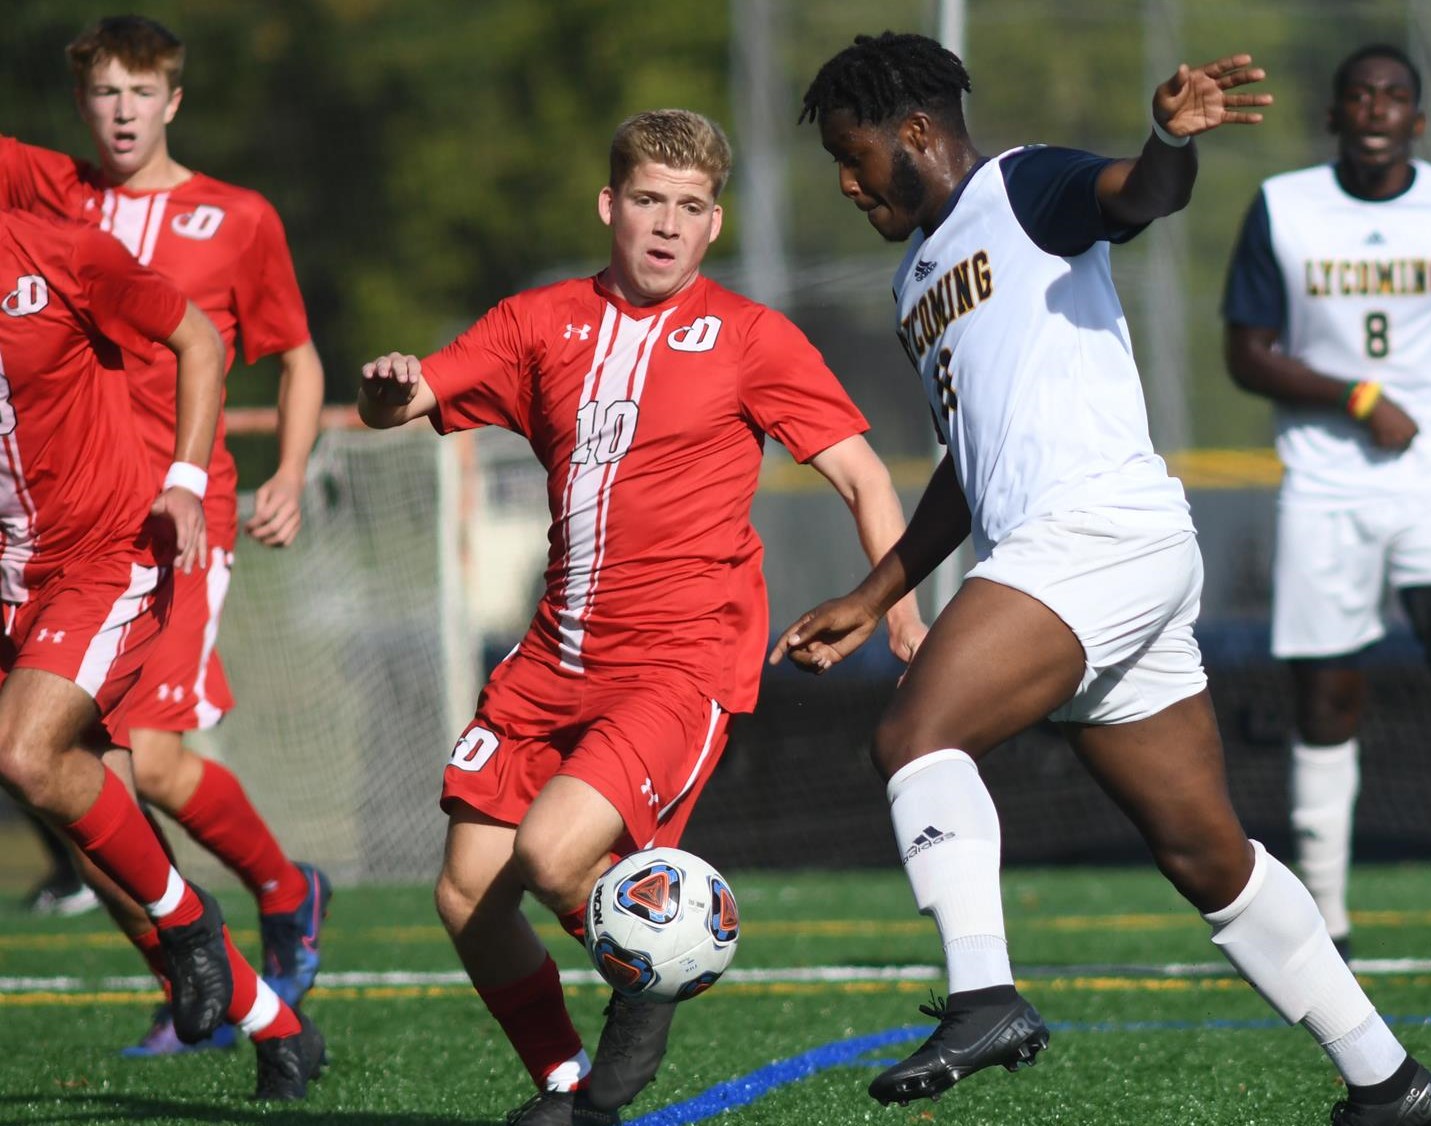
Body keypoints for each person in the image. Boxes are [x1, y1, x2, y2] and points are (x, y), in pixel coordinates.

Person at [783, 32, 1431, 1125]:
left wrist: (1164, 139)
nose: (849, 184)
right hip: (1080, 563)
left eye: (854, 156)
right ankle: (1386, 1078)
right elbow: (969, 463)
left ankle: (982, 993)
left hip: (1096, 536)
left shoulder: (1022, 186)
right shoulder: (915, 281)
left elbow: (1136, 196)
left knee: (914, 738)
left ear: (913, 133)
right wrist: (869, 595)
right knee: (1205, 855)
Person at [357, 108, 924, 1126]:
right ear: (609, 206)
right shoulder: (536, 322)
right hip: (552, 653)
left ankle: (650, 981)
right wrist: (388, 390)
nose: (667, 225)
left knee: (551, 853)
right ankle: (570, 1086)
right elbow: (409, 400)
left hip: (680, 658)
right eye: (649, 202)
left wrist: (898, 609)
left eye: (692, 207)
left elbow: (858, 473)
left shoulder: (750, 336)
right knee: (465, 896)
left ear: (715, 225)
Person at [0, 15, 330, 1053]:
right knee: (80, 782)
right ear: (81, 105)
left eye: (142, 92)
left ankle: (282, 891)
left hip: (177, 517)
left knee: (143, 763)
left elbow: (293, 356)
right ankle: (217, 993)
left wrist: (285, 469)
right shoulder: (53, 197)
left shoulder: (235, 217)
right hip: (60, 522)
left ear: (174, 101)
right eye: (105, 93)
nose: (123, 111)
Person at [1221, 44, 1431, 978]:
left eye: (1396, 97)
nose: (1377, 109)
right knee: (1327, 705)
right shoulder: (1285, 207)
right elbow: (1245, 353)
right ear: (1334, 115)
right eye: (1359, 96)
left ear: (1419, 118)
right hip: (1327, 487)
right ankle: (1326, 925)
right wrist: (1357, 398)